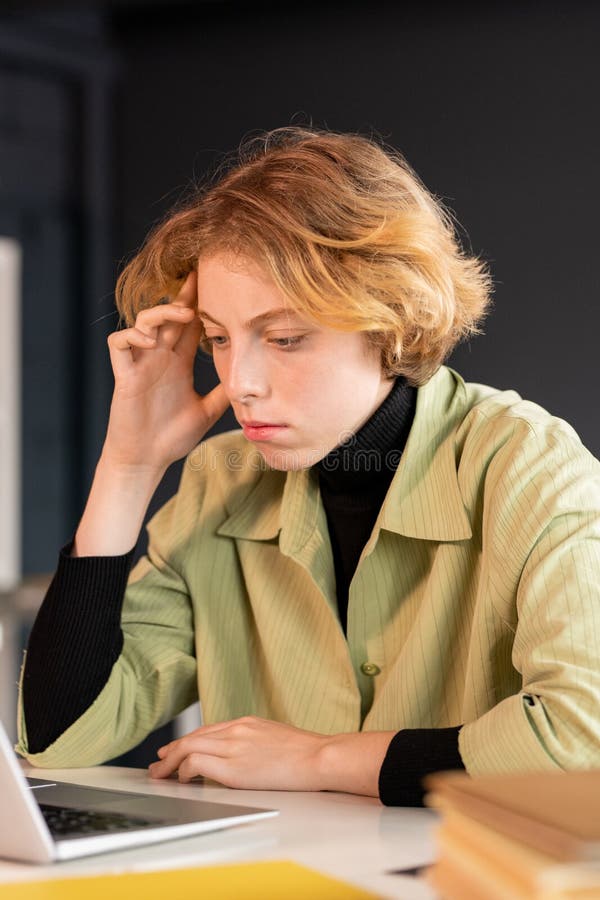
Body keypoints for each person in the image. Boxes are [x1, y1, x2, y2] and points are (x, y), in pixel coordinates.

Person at [16, 126, 600, 807]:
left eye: (285, 338)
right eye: (219, 341)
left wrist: (322, 758)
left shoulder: (527, 464)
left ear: (389, 323)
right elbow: (62, 736)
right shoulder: (222, 479)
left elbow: (583, 737)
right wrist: (127, 466)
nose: (241, 383)